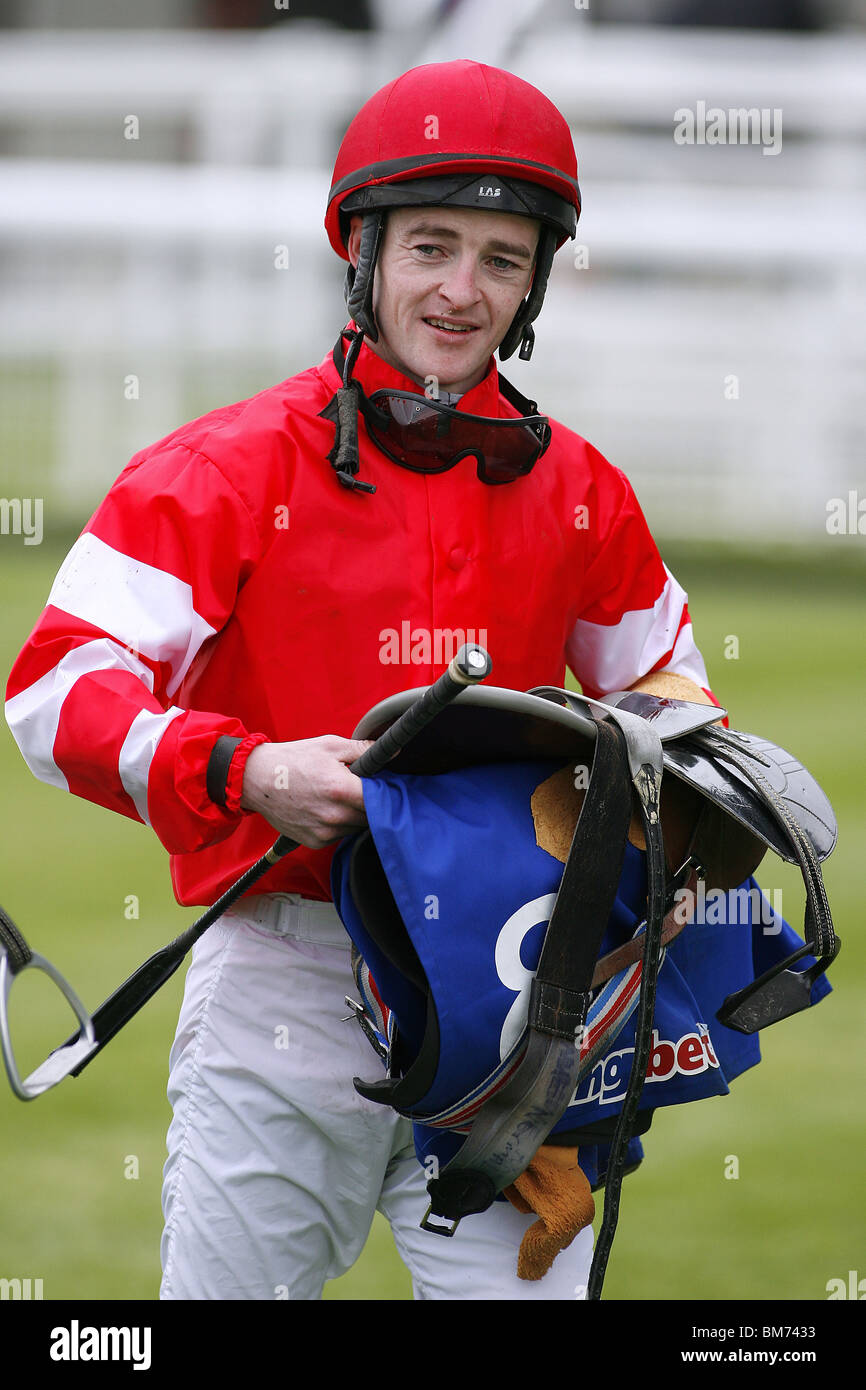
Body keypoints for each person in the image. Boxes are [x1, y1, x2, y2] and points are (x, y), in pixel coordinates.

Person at [4, 60, 719, 1300]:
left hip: (518, 1003)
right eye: (431, 246)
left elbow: (676, 698)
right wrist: (244, 767)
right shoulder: (217, 469)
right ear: (365, 251)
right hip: (284, 984)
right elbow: (54, 693)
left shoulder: (584, 493)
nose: (459, 290)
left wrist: (665, 840)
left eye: (501, 258)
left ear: (535, 280)